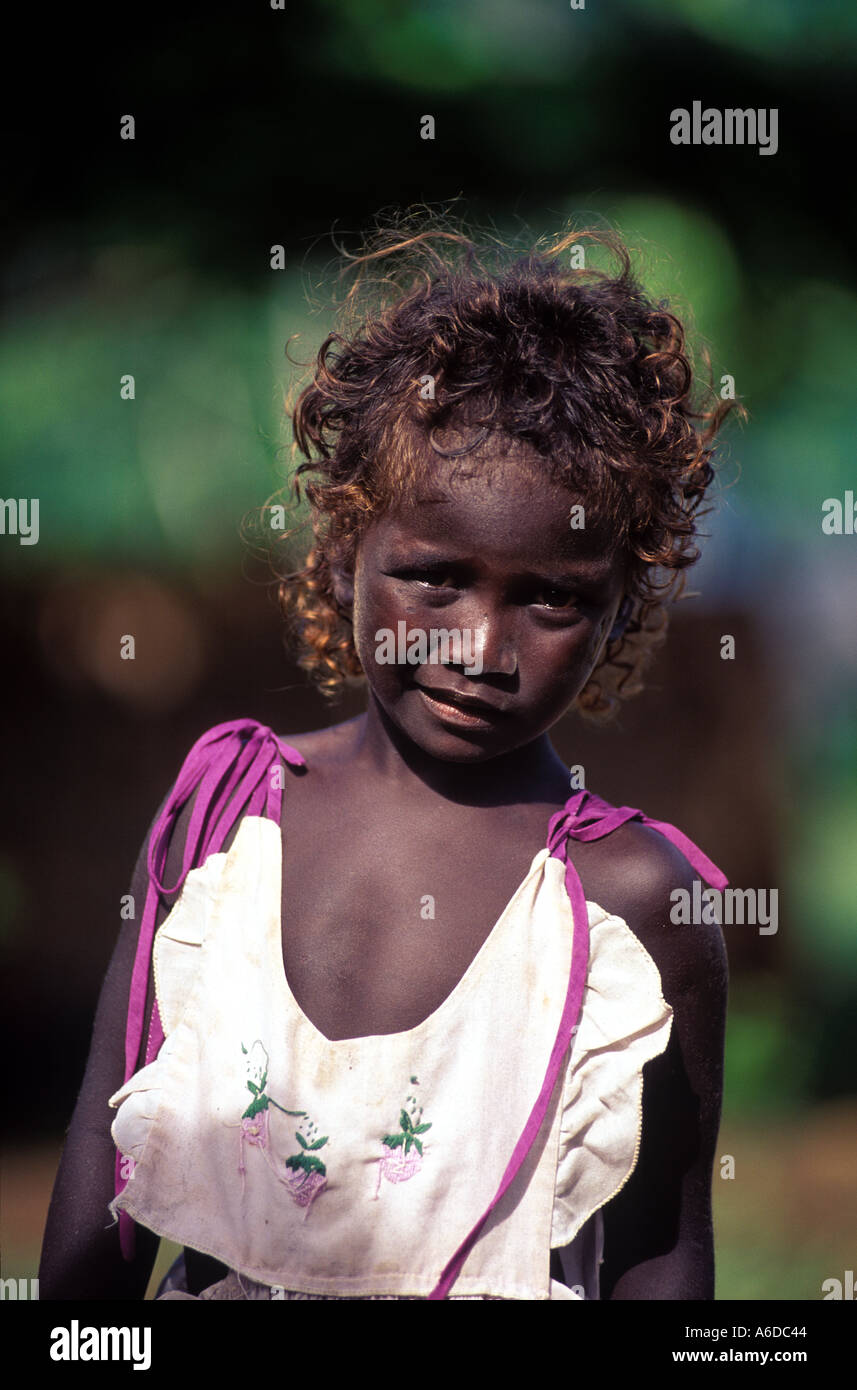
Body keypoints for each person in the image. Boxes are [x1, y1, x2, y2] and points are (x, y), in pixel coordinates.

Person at [40, 218, 739, 1300]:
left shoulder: (631, 903)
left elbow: (661, 1249)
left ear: (618, 610)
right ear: (339, 559)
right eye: (432, 576)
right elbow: (108, 1139)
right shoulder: (227, 819)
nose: (479, 649)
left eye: (551, 598)